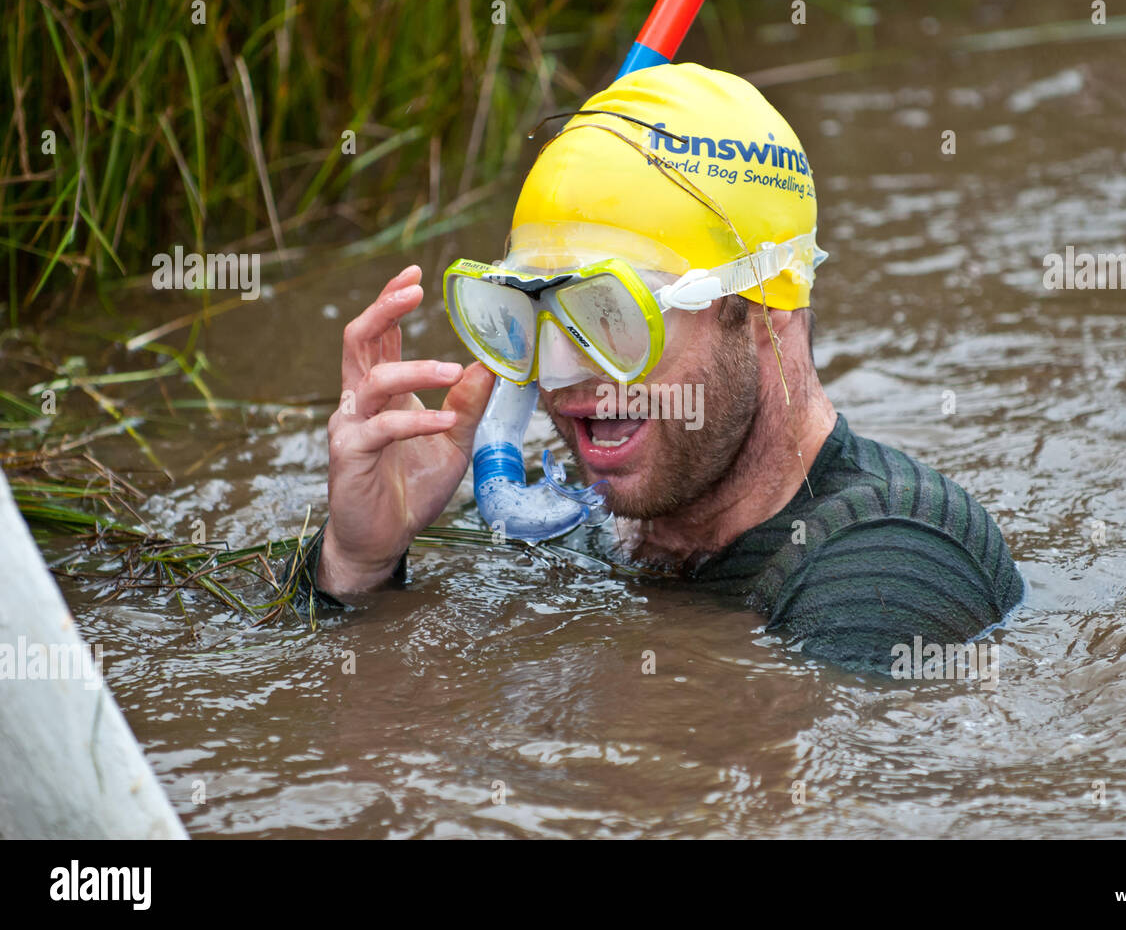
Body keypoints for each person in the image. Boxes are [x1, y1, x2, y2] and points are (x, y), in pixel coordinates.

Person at [288, 63, 1025, 673]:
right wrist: (356, 565)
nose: (561, 373)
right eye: (535, 313)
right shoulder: (577, 515)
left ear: (764, 310)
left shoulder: (885, 576)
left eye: (612, 315)